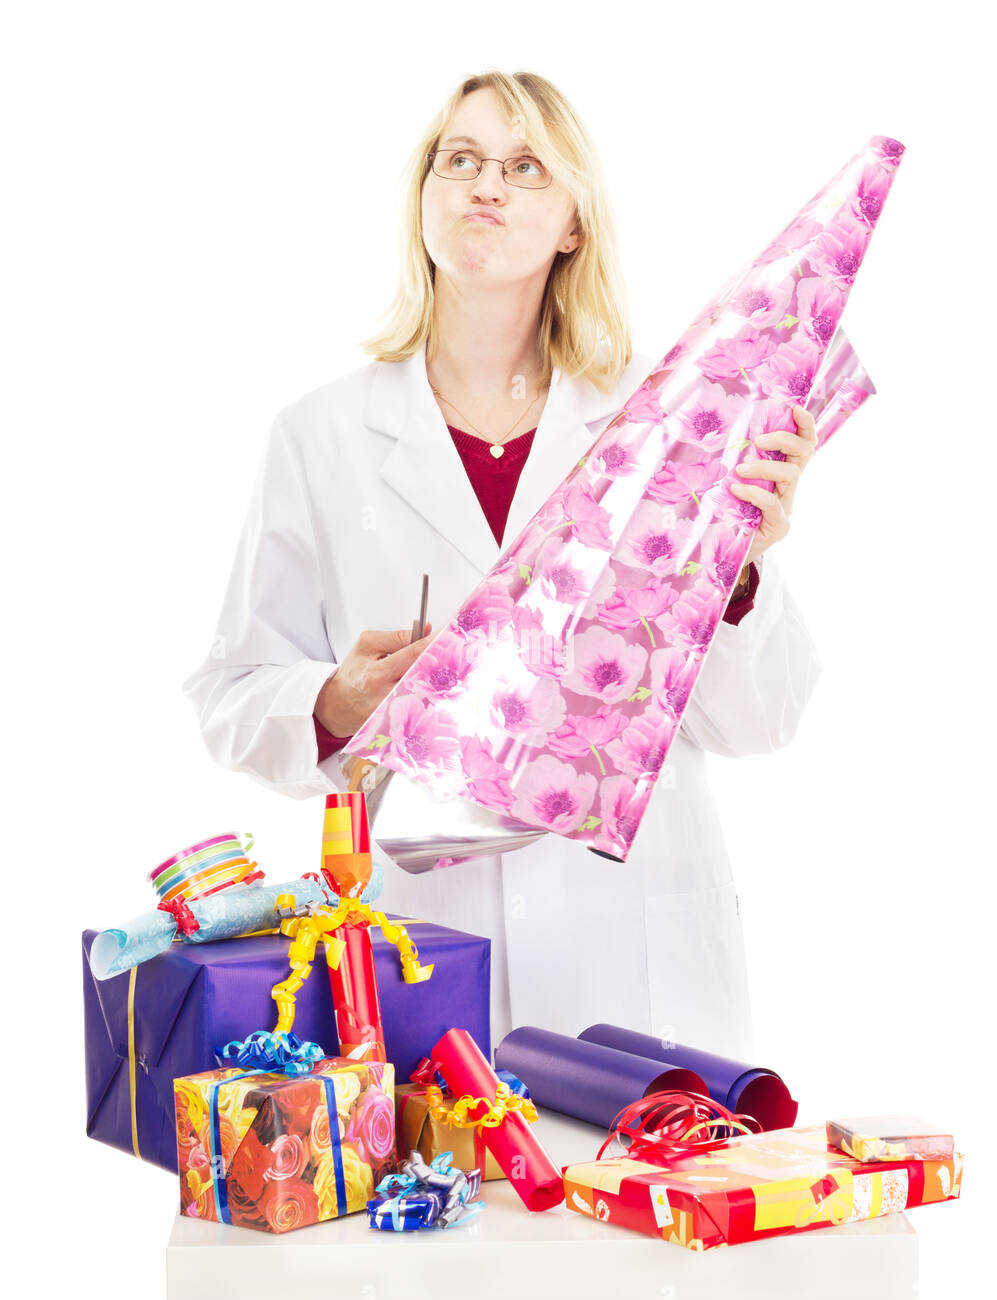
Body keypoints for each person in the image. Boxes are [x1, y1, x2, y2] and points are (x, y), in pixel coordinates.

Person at [184, 70, 820, 1059]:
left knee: (636, 1201)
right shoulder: (320, 436)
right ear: (425, 200)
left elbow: (760, 720)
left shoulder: (658, 425)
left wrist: (736, 572)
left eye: (526, 167)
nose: (487, 184)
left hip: (636, 938)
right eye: (462, 159)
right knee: (444, 1194)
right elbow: (228, 694)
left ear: (572, 223)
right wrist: (336, 699)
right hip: (427, 940)